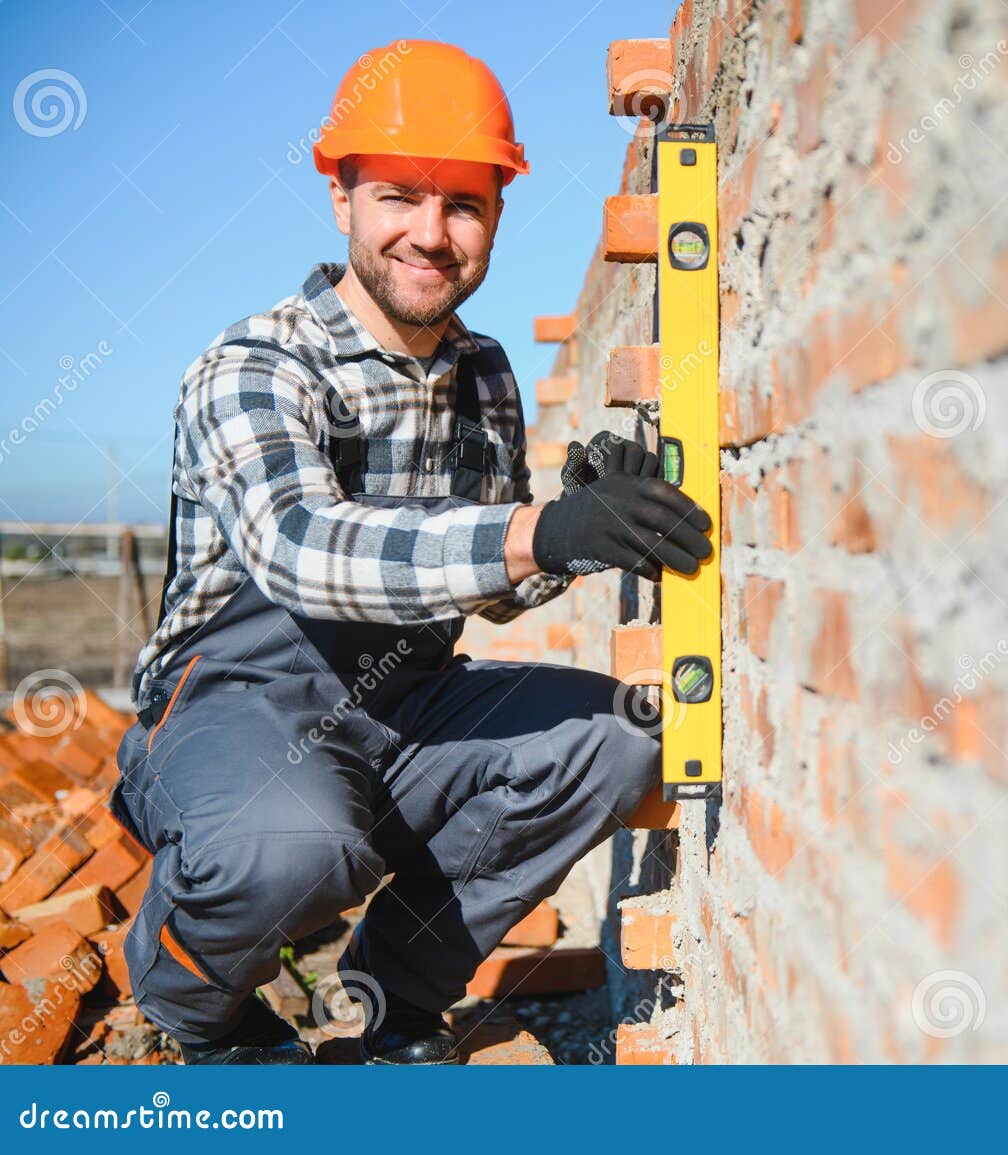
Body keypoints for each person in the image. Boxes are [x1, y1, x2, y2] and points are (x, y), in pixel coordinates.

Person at [111, 40, 712, 1065]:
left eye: (464, 205)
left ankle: (393, 1001)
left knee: (617, 738)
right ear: (341, 196)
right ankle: (189, 1007)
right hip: (235, 706)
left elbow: (496, 591)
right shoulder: (254, 364)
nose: (430, 235)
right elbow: (302, 549)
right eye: (399, 196)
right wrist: (534, 530)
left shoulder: (483, 372)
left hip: (410, 704)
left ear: (498, 213)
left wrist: (575, 516)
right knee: (286, 845)